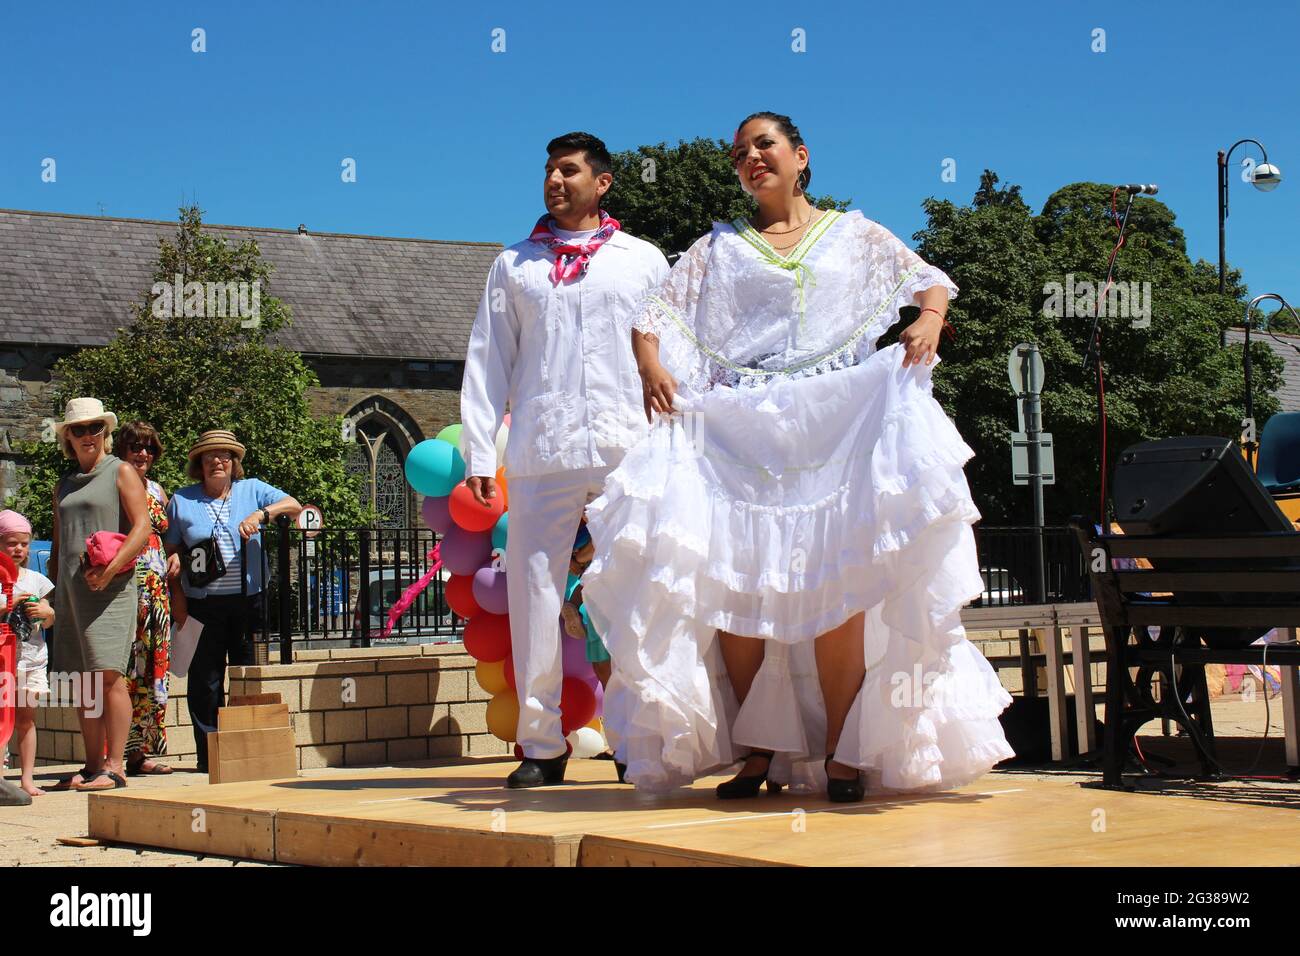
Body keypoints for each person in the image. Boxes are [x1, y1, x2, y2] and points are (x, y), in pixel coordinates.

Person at [581, 113, 1014, 800]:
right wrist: (649, 367)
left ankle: (845, 750)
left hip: (834, 421)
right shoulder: (718, 249)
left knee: (835, 589)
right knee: (736, 585)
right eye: (740, 152)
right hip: (740, 429)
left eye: (765, 146)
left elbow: (931, 279)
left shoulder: (853, 235)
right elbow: (650, 314)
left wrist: (929, 317)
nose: (752, 158)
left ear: (800, 156)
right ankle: (757, 752)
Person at [459, 132, 670, 788]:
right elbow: (488, 357)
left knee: (632, 595)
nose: (555, 179)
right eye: (549, 169)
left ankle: (636, 739)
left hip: (625, 447)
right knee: (534, 595)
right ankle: (541, 745)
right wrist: (475, 450)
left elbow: (670, 355)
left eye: (569, 170)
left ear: (602, 183)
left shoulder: (642, 261)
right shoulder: (513, 265)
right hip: (542, 450)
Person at [164, 430, 301, 772]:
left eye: (224, 455)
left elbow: (294, 506)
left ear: (234, 462)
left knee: (247, 677)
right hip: (203, 603)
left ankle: (247, 752)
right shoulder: (182, 500)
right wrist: (177, 569)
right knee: (204, 682)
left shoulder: (252, 489)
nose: (217, 461)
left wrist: (261, 516)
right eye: (209, 457)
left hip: (248, 601)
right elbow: (170, 548)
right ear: (199, 464)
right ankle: (210, 757)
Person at [48, 398, 153, 792]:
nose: (88, 435)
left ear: (106, 433)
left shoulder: (121, 471)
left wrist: (109, 570)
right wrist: (53, 592)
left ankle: (116, 766)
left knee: (109, 677)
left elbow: (142, 528)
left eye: (95, 428)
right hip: (72, 592)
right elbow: (59, 544)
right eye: (79, 429)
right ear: (68, 438)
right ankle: (92, 765)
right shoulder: (62, 484)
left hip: (111, 588)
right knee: (82, 682)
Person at [118, 421, 178, 776]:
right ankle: (115, 752)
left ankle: (141, 752)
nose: (143, 454)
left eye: (149, 448)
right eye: (135, 446)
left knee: (154, 669)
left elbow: (171, 536)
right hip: (126, 582)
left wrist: (176, 555)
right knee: (125, 668)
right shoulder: (113, 482)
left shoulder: (157, 489)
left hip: (157, 589)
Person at [0, 509, 56, 797]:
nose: (19, 549)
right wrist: (7, 602)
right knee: (1, 720)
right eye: (11, 543)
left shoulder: (36, 579)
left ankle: (27, 778)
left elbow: (48, 619)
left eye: (24, 543)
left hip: (31, 659)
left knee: (26, 720)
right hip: (3, 660)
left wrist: (46, 612)